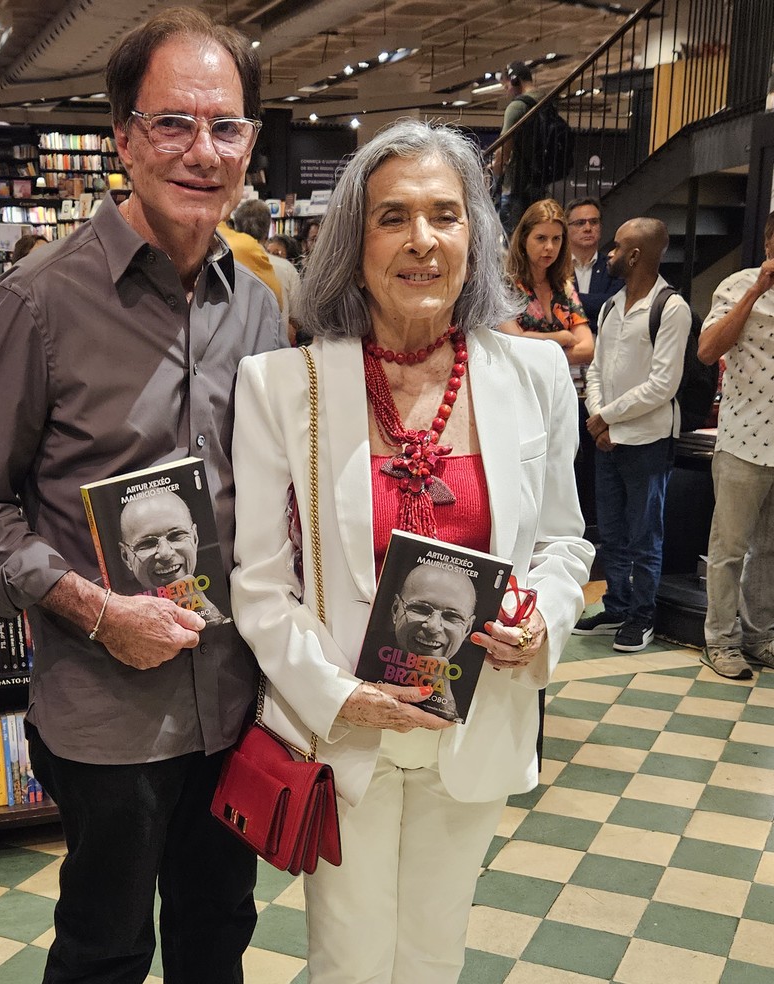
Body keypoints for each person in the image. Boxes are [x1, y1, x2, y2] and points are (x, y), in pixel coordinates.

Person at [0, 8, 282, 984]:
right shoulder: (36, 303)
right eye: (174, 123)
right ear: (123, 136)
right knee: (104, 951)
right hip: (107, 714)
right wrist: (96, 610)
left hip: (233, 698)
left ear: (251, 142)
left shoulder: (255, 305)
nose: (201, 150)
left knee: (219, 937)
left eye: (226, 126)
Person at [231, 119, 594, 984]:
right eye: (392, 217)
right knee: (348, 958)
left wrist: (544, 617)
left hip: (476, 721)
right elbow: (259, 582)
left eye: (445, 214)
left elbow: (562, 539)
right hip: (345, 730)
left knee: (435, 952)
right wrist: (338, 695)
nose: (422, 241)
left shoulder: (534, 376)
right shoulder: (286, 387)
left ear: (477, 234)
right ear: (353, 243)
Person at [573, 218, 691, 652]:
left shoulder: (670, 307)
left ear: (636, 255)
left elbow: (663, 385)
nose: (610, 253)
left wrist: (606, 418)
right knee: (613, 531)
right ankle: (617, 604)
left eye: (617, 246)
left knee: (645, 535)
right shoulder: (610, 306)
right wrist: (599, 417)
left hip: (648, 442)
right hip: (608, 440)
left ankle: (641, 616)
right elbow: (597, 370)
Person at [696, 210, 774, 679]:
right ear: (769, 242)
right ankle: (721, 641)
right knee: (728, 549)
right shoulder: (735, 285)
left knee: (771, 551)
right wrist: (757, 290)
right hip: (744, 442)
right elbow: (708, 350)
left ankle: (761, 635)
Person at [499, 198, 594, 366]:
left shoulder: (564, 286)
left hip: (560, 385)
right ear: (524, 239)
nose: (549, 247)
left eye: (556, 239)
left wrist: (533, 342)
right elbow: (514, 344)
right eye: (541, 238)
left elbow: (587, 349)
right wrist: (561, 337)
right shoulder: (504, 287)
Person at [118, 490, 228, 624]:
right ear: (126, 556)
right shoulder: (114, 608)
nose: (165, 553)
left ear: (194, 538)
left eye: (176, 535)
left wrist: (213, 617)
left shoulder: (229, 585)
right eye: (147, 543)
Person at [391, 564, 477, 722]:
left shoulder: (476, 682)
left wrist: (445, 704)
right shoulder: (361, 656)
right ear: (396, 610)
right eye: (420, 609)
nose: (433, 626)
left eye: (452, 617)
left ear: (468, 628)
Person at [232, 198, 300, 340]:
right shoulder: (285, 268)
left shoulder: (221, 263)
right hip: (275, 352)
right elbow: (298, 317)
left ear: (236, 227)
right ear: (268, 227)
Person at [490, 61, 545, 236]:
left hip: (516, 186)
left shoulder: (517, 107)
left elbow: (504, 148)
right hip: (540, 181)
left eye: (506, 85)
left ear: (514, 80)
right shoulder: (547, 101)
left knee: (511, 241)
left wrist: (496, 169)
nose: (506, 90)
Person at [566, 197, 623, 329]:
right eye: (580, 223)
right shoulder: (555, 267)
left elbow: (615, 306)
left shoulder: (615, 266)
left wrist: (567, 300)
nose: (588, 228)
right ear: (566, 228)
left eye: (594, 222)